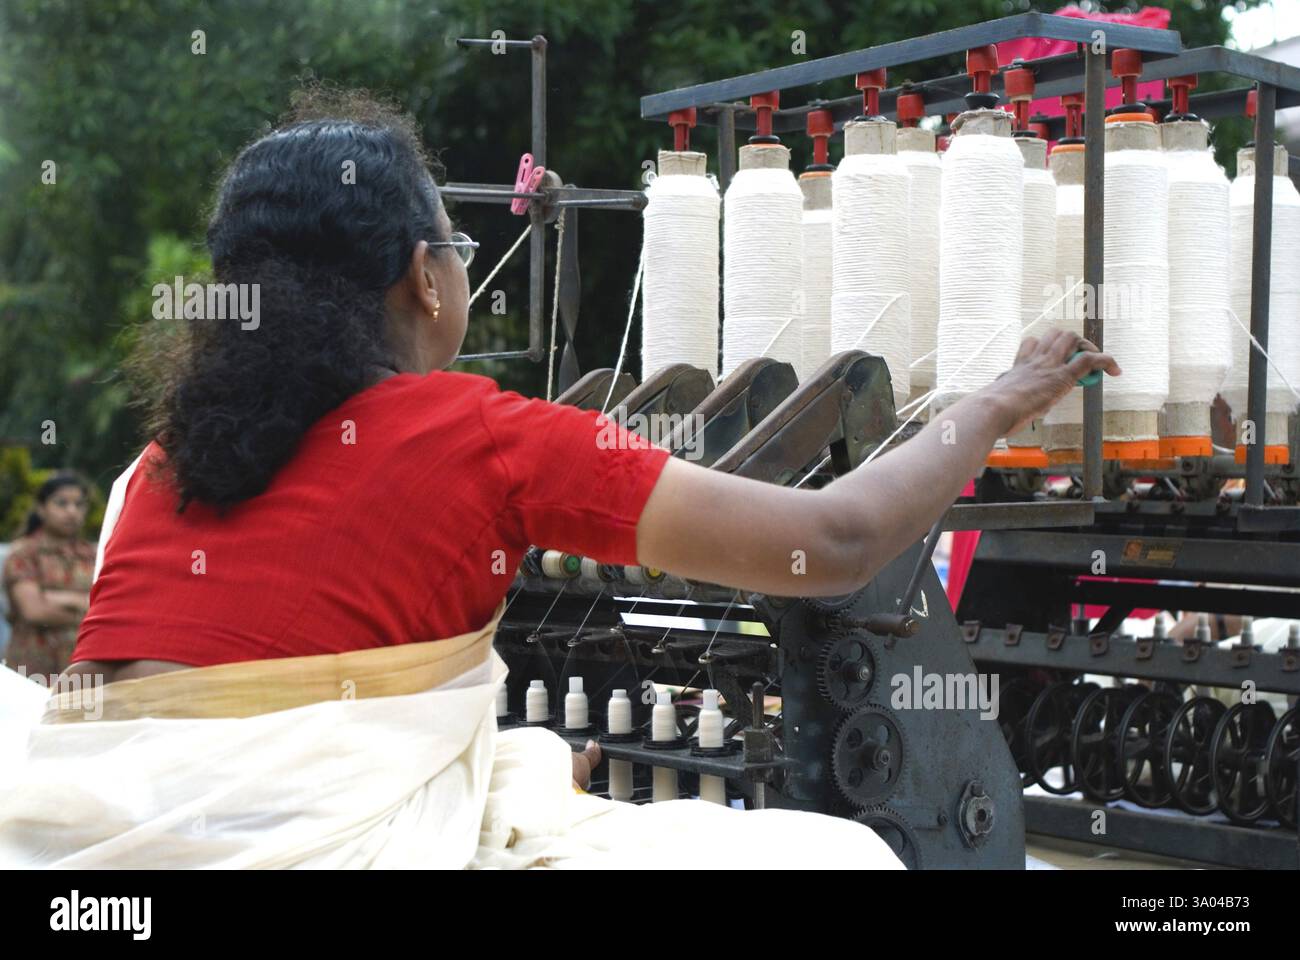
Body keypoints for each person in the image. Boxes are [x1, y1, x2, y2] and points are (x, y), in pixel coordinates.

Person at [0, 88, 1117, 869]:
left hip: (90, 843)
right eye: (455, 249)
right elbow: (830, 545)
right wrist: (993, 401)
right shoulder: (481, 436)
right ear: (418, 279)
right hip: (316, 851)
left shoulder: (156, 471)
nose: (457, 272)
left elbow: (232, 696)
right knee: (832, 862)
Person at [2, 472, 95, 679]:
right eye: (61, 503)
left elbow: (110, 607)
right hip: (32, 671)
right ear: (41, 508)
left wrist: (56, 597)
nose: (72, 511)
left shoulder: (93, 555)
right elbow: (34, 611)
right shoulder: (24, 554)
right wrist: (86, 608)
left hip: (82, 670)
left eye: (79, 504)